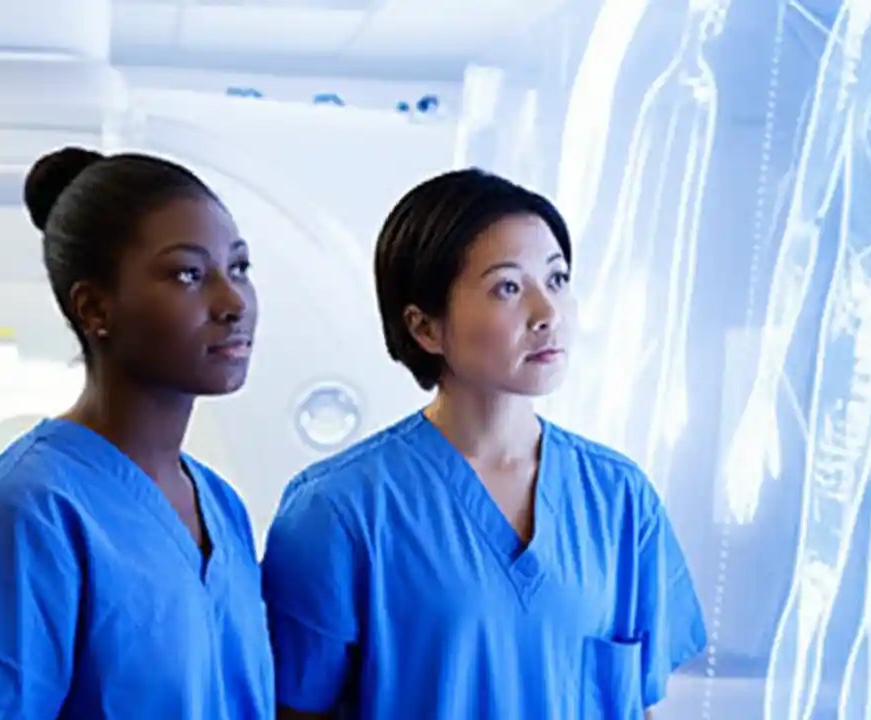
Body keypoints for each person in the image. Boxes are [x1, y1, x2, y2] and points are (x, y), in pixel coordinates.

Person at [260, 168, 707, 719]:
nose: (548, 314)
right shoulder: (339, 510)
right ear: (425, 328)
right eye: (508, 287)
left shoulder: (619, 497)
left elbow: (633, 706)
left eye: (558, 280)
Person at [0, 147, 273, 720]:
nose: (233, 302)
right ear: (95, 308)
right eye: (189, 274)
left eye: (239, 268)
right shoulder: (24, 516)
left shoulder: (222, 506)